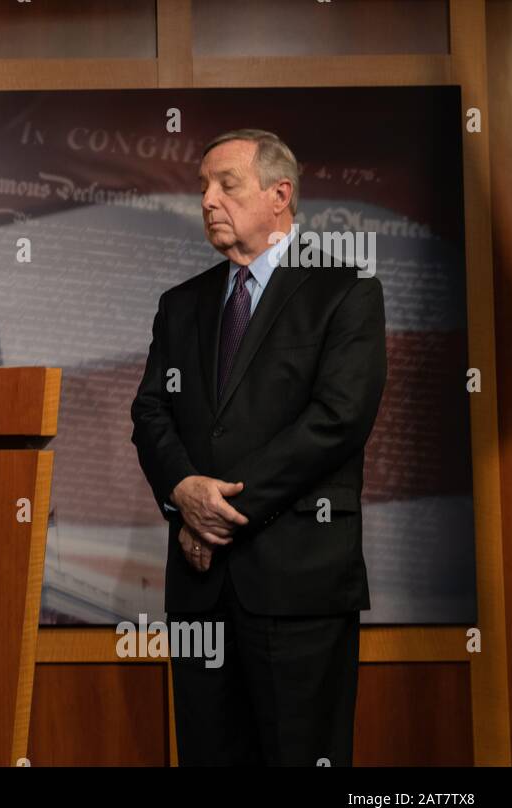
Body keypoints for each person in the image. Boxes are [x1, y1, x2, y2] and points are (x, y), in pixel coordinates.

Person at [130, 129, 387, 765]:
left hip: (298, 581)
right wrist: (184, 493)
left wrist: (219, 511)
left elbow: (338, 418)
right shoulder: (181, 304)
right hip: (199, 585)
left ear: (280, 195)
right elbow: (151, 411)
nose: (208, 200)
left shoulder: (345, 289)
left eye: (226, 185)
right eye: (202, 188)